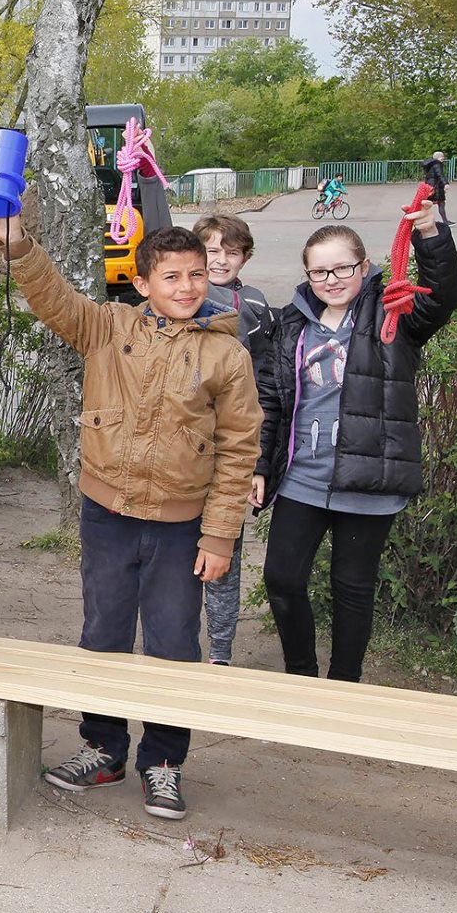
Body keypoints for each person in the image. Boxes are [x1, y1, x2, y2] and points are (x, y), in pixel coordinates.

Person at [0, 216, 261, 822]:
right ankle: (103, 747)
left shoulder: (227, 354)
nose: (187, 286)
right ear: (141, 283)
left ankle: (163, 762)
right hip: (106, 513)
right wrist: (17, 243)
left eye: (195, 274)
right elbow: (51, 296)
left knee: (171, 644)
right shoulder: (107, 328)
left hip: (181, 526)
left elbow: (240, 449)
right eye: (171, 276)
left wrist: (218, 534)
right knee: (103, 635)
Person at [255, 207, 457, 683]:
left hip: (369, 481)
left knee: (352, 587)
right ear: (307, 274)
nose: (332, 279)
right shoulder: (292, 323)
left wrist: (430, 231)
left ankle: (344, 682)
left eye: (343, 267)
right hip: (303, 479)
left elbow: (444, 297)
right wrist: (261, 466)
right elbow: (272, 400)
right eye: (320, 270)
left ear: (364, 267)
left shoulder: (394, 312)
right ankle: (300, 674)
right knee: (282, 581)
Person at [193, 214, 274, 666]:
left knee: (225, 554)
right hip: (183, 451)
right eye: (210, 249)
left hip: (232, 453)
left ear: (245, 256)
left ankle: (220, 653)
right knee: (176, 556)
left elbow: (267, 385)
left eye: (231, 250)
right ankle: (176, 645)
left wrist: (258, 464)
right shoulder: (183, 295)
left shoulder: (259, 307)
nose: (220, 259)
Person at [421, 151, 450, 223]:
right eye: (442, 157)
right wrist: (445, 183)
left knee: (428, 203)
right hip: (436, 186)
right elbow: (440, 174)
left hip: (430, 185)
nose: (443, 158)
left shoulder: (430, 164)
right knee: (441, 203)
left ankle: (422, 219)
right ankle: (445, 221)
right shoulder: (437, 164)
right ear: (438, 158)